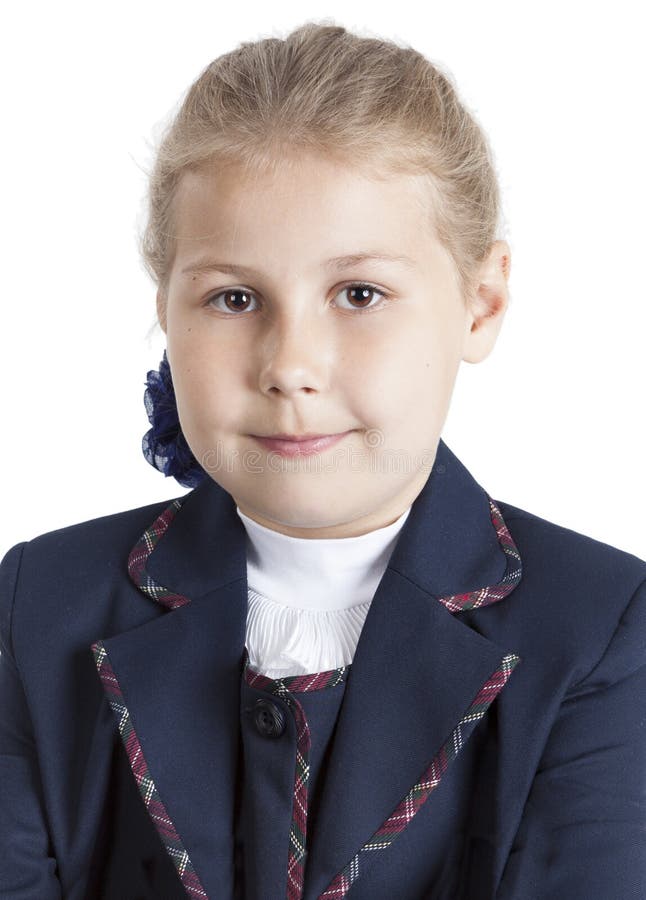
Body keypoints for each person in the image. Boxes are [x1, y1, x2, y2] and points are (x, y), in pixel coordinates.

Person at [1, 20, 644, 900]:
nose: (290, 366)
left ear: (481, 303)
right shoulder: (37, 604)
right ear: (166, 307)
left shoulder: (604, 628)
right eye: (234, 297)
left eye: (359, 293)